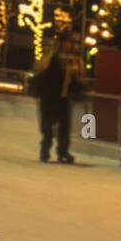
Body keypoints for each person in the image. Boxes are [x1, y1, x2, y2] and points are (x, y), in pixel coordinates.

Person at [33, 28, 84, 164]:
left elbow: (75, 79)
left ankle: (63, 151)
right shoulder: (49, 57)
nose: (69, 45)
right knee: (47, 125)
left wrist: (78, 89)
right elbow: (41, 75)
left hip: (63, 97)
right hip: (49, 97)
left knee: (64, 127)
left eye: (70, 42)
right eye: (66, 42)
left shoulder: (73, 60)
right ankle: (45, 150)